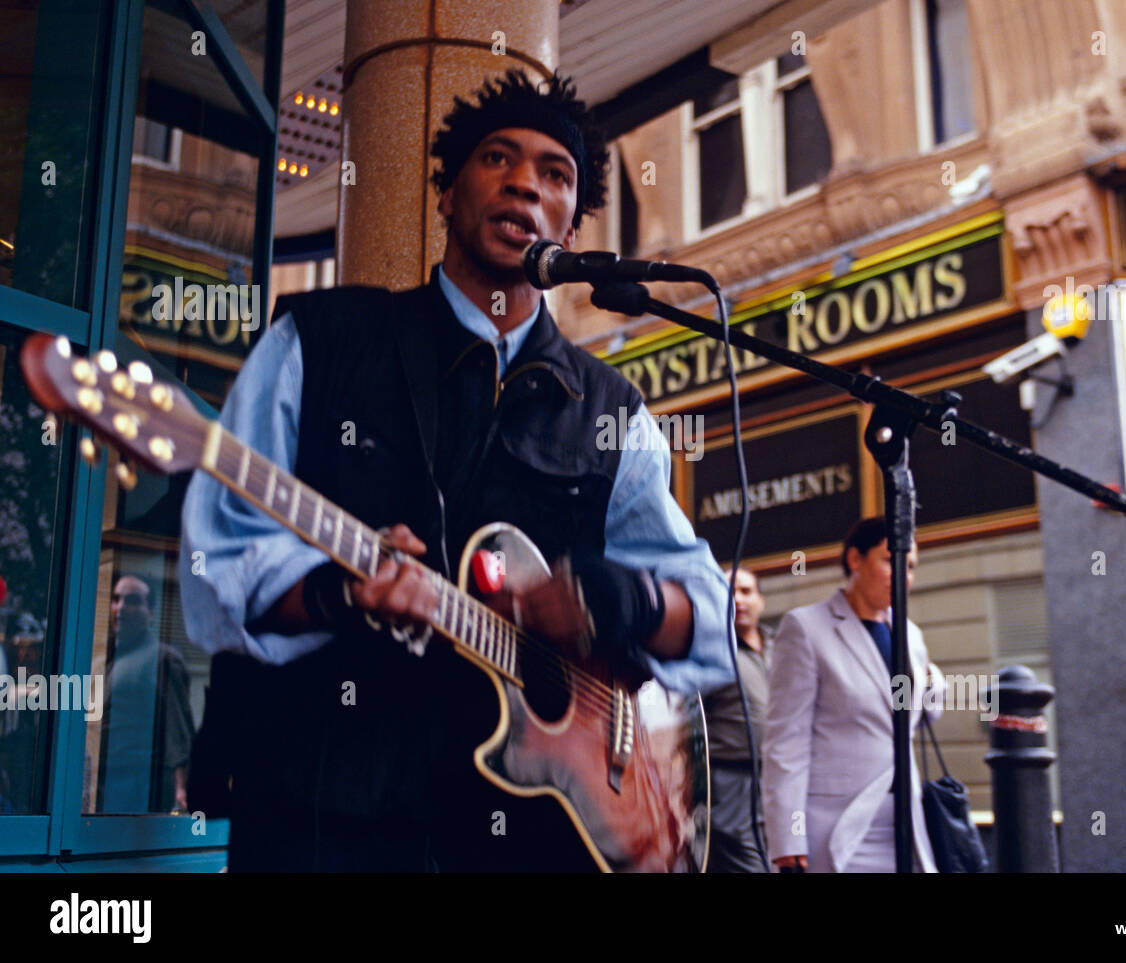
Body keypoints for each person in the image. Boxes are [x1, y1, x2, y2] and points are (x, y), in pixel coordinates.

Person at [179, 70, 731, 872]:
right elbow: (220, 561)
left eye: (554, 174)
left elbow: (708, 618)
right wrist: (339, 590)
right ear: (446, 194)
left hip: (533, 847)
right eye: (496, 159)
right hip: (328, 828)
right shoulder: (321, 341)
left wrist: (627, 599)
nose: (524, 184)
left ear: (571, 225)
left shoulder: (613, 409)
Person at [763, 517, 945, 873]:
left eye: (909, 566)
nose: (901, 574)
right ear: (855, 560)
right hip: (836, 828)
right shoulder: (806, 627)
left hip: (907, 824)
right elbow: (786, 742)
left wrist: (930, 678)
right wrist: (787, 836)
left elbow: (919, 714)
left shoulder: (909, 634)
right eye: (889, 560)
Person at [99, 575, 194, 813]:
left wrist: (184, 787)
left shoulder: (163, 659)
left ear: (150, 612)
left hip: (141, 787)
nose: (120, 608)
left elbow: (178, 730)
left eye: (131, 601)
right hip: (103, 785)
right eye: (116, 599)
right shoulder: (106, 660)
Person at [703, 566, 770, 872]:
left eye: (746, 591)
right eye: (730, 591)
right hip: (728, 776)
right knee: (748, 865)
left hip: (779, 776)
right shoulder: (708, 651)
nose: (738, 600)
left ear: (761, 600)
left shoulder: (781, 644)